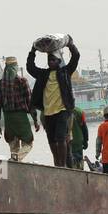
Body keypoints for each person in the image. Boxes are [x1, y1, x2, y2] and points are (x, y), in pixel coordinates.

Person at [27, 38, 82, 167]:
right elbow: (30, 67)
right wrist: (33, 50)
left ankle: (62, 165)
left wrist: (71, 45)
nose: (51, 62)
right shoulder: (43, 74)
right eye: (49, 60)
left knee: (60, 137)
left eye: (53, 60)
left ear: (58, 61)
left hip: (62, 110)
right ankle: (57, 163)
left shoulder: (65, 72)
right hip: (48, 112)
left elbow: (76, 57)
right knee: (51, 139)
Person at [0, 57, 38, 162]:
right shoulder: (22, 81)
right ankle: (17, 158)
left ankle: (14, 161)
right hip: (21, 118)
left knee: (13, 148)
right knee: (28, 144)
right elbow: (30, 103)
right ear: (16, 67)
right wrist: (35, 120)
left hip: (8, 120)